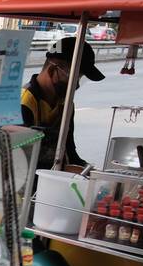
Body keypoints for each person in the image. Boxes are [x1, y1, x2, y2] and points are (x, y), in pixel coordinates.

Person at [21, 36, 105, 168]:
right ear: (52, 70)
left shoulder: (65, 105)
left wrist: (88, 170)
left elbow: (70, 151)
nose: (76, 86)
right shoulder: (25, 102)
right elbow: (19, 161)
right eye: (74, 79)